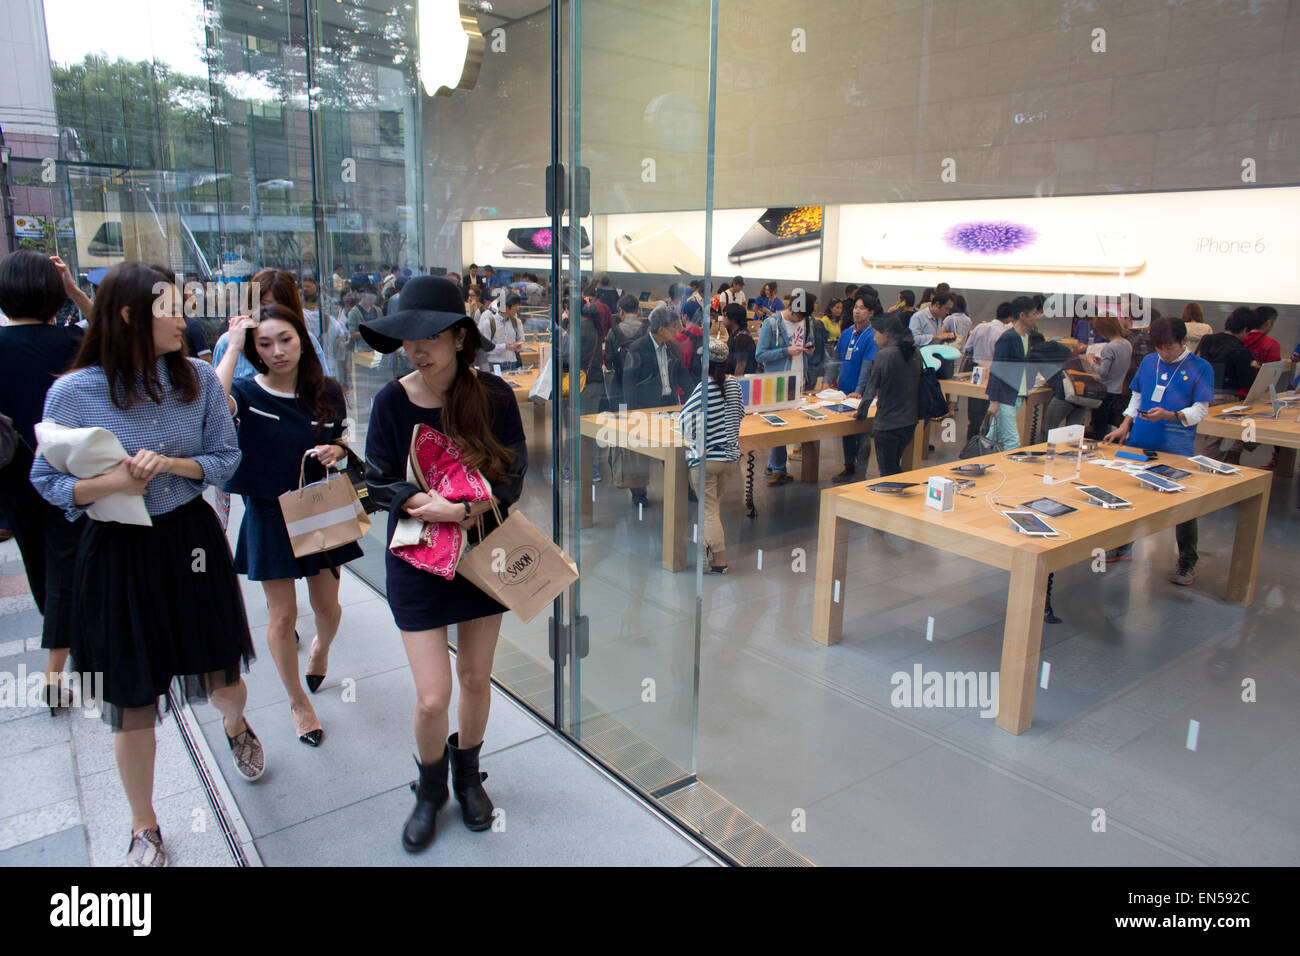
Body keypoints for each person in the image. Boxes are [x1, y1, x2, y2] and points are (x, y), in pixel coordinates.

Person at [29, 261, 258, 867]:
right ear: (131, 315)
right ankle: (144, 824)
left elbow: (225, 457)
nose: (184, 318)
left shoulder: (200, 380)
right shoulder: (72, 392)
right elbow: (47, 481)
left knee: (221, 669)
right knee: (131, 694)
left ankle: (236, 726)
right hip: (116, 546)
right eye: (172, 308)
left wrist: (171, 465)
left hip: (190, 538)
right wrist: (109, 480)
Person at [360, 276, 526, 853]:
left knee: (476, 677)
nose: (418, 348)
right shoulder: (391, 401)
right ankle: (430, 789)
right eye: (409, 338)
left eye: (430, 335)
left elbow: (513, 478)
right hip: (415, 551)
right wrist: (415, 502)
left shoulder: (496, 397)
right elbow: (374, 480)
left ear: (460, 337)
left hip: (480, 547)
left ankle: (467, 775)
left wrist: (460, 506)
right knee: (433, 696)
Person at [216, 304, 359, 749]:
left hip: (318, 506)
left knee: (328, 608)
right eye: (265, 343)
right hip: (267, 511)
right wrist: (233, 345)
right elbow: (210, 409)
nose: (277, 351)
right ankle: (297, 701)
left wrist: (338, 451)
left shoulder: (326, 391)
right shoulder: (244, 391)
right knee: (281, 615)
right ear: (254, 349)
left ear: (302, 340)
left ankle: (320, 649)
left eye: (286, 340)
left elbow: (342, 438)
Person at [0, 251, 86, 713]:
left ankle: (59, 642)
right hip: (70, 467)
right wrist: (75, 291)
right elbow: (120, 335)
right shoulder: (70, 343)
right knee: (67, 560)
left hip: (12, 471)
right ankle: (57, 668)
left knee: (38, 560)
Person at [1103, 317, 1214, 586]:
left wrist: (1170, 415)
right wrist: (1125, 424)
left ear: (1184, 342)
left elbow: (1200, 410)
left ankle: (1187, 561)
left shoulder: (1201, 368)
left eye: (1170, 348)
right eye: (1160, 347)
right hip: (1141, 440)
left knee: (1183, 505)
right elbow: (1137, 396)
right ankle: (1122, 545)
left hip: (1176, 447)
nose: (1164, 353)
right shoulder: (1150, 361)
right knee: (1128, 493)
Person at [679, 339, 745, 574]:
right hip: (729, 459)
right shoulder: (735, 385)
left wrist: (698, 439)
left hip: (707, 460)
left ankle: (719, 561)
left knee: (708, 511)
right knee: (713, 509)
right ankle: (707, 548)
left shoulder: (703, 388)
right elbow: (740, 414)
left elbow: (684, 420)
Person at [212, 269, 332, 377]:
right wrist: (233, 349)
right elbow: (217, 396)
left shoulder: (307, 340)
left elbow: (322, 391)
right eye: (265, 304)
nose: (273, 312)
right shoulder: (228, 343)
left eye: (281, 306)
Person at [755, 287, 815, 485]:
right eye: (798, 315)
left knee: (790, 423)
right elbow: (760, 355)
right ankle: (779, 468)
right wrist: (785, 351)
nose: (800, 320)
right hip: (777, 383)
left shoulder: (807, 320)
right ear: (791, 308)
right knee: (778, 424)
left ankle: (774, 465)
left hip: (799, 380)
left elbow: (809, 341)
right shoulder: (771, 324)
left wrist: (809, 349)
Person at [851, 314, 922, 476]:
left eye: (876, 334)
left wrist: (861, 413)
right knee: (895, 466)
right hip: (909, 421)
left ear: (887, 334)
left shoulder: (884, 355)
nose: (875, 338)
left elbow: (870, 390)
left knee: (887, 471)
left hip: (888, 423)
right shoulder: (914, 352)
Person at [832, 292, 882, 483]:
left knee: (862, 433)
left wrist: (860, 391)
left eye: (862, 308)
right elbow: (836, 359)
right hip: (843, 391)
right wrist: (828, 381)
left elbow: (867, 367)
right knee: (846, 432)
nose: (857, 312)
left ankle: (860, 472)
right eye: (855, 307)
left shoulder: (872, 336)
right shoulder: (846, 333)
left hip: (861, 394)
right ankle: (848, 467)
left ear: (870, 312)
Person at [986, 296, 1046, 451]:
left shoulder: (1027, 338)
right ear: (1022, 315)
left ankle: (977, 461)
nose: (1036, 317)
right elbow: (997, 368)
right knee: (1012, 442)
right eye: (1033, 314)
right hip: (1006, 396)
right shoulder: (1008, 338)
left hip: (1019, 395)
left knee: (992, 437)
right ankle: (1010, 473)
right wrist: (994, 399)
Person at [961, 302, 1012, 440]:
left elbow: (967, 348)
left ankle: (970, 443)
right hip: (993, 373)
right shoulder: (1004, 334)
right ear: (1009, 318)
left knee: (974, 412)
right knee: (989, 414)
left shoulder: (979, 327)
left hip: (975, 370)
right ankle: (984, 445)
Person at [1078, 313, 1132, 439]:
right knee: (1108, 425)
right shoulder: (1127, 344)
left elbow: (1103, 373)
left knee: (1098, 427)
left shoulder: (1109, 348)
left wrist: (1091, 362)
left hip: (1105, 391)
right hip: (1118, 389)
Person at [603, 293, 647, 408]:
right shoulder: (647, 330)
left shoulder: (613, 332)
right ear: (637, 310)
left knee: (621, 420)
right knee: (640, 420)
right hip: (642, 387)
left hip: (620, 386)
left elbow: (608, 361)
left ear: (621, 311)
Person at [479, 293, 524, 370]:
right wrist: (505, 346)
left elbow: (521, 340)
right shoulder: (488, 323)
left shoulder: (517, 322)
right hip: (494, 365)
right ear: (505, 307)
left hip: (512, 364)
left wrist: (518, 346)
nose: (517, 309)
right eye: (515, 305)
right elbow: (485, 349)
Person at [722, 303, 755, 376]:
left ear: (733, 319)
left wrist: (734, 383)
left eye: (725, 316)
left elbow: (741, 365)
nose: (722, 319)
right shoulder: (734, 333)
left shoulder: (742, 337)